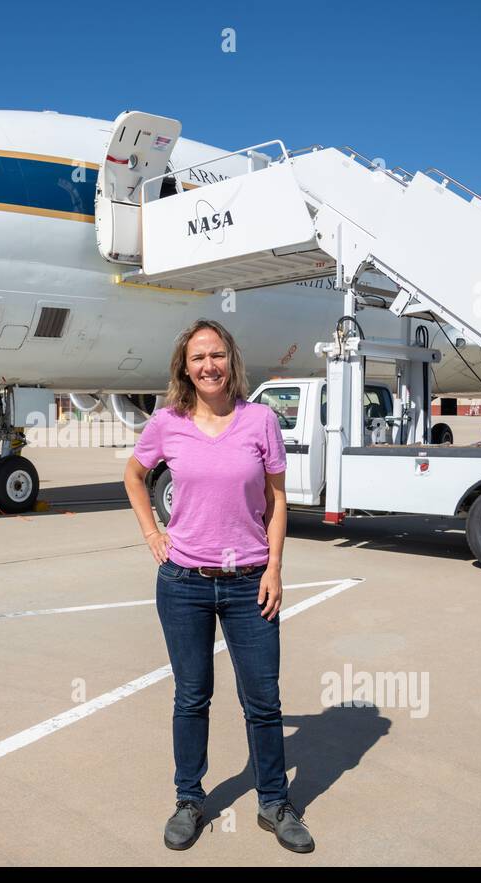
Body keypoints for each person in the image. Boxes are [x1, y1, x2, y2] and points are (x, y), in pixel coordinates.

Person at [122, 318, 314, 854]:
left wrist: (275, 567)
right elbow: (134, 476)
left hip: (250, 582)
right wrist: (150, 532)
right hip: (183, 581)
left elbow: (278, 501)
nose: (208, 365)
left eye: (217, 355)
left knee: (264, 700)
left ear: (231, 360)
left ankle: (274, 803)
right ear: (185, 368)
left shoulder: (260, 421)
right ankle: (189, 799)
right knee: (192, 696)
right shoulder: (167, 422)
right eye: (197, 358)